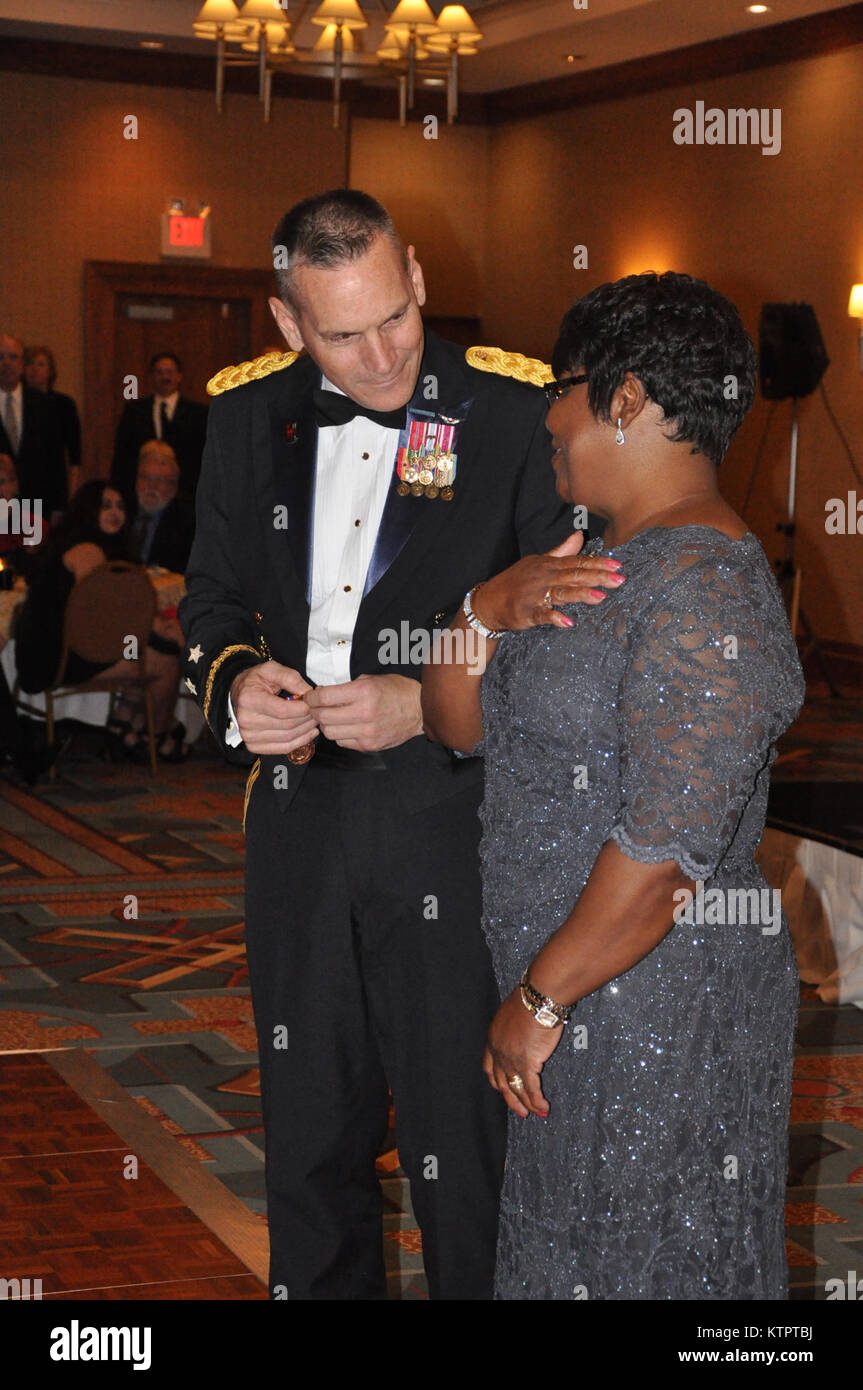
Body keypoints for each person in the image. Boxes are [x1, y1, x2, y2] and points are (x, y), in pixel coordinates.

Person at [179, 188, 619, 1300]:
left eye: (395, 317)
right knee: (308, 1146)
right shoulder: (242, 415)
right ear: (287, 325)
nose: (380, 356)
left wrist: (429, 703)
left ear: (416, 276)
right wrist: (241, 693)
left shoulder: (514, 411)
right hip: (295, 826)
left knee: (462, 1154)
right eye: (340, 333)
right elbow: (214, 603)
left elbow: (572, 636)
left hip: (449, 826)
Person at [422, 271, 806, 1301]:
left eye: (561, 384)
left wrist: (541, 997)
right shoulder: (591, 559)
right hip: (575, 1005)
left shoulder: (704, 586)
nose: (547, 413)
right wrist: (484, 607)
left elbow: (665, 850)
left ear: (624, 397)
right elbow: (454, 722)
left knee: (654, 1267)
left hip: (656, 1012)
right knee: (568, 1258)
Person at [14, 479, 185, 761]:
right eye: (105, 506)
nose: (115, 512)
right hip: (57, 659)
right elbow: (106, 608)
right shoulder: (86, 550)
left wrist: (154, 629)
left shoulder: (91, 545)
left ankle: (125, 724)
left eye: (119, 506)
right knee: (167, 658)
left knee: (156, 646)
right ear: (87, 510)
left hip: (68, 649)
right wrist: (155, 627)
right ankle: (155, 737)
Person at [111, 353, 208, 505]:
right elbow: (122, 455)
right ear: (151, 377)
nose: (165, 377)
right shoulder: (134, 411)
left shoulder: (199, 414)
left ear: (179, 376)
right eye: (159, 372)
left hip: (186, 495)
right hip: (141, 495)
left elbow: (203, 456)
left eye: (170, 372)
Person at [0, 333, 67, 519]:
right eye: (0, 357)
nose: (6, 362)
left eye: (12, 357)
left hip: (36, 503)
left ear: (22, 364)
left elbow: (56, 459)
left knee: (34, 547)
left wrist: (58, 507)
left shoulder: (44, 404)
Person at [23, 345, 83, 499]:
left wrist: (72, 494)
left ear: (50, 371)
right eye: (29, 363)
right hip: (21, 485)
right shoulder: (16, 403)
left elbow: (75, 455)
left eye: (40, 364)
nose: (34, 369)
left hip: (54, 484)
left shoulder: (64, 404)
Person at [127, 440, 195, 574]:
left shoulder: (186, 523)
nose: (151, 486)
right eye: (145, 477)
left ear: (173, 487)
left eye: (159, 480)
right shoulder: (123, 509)